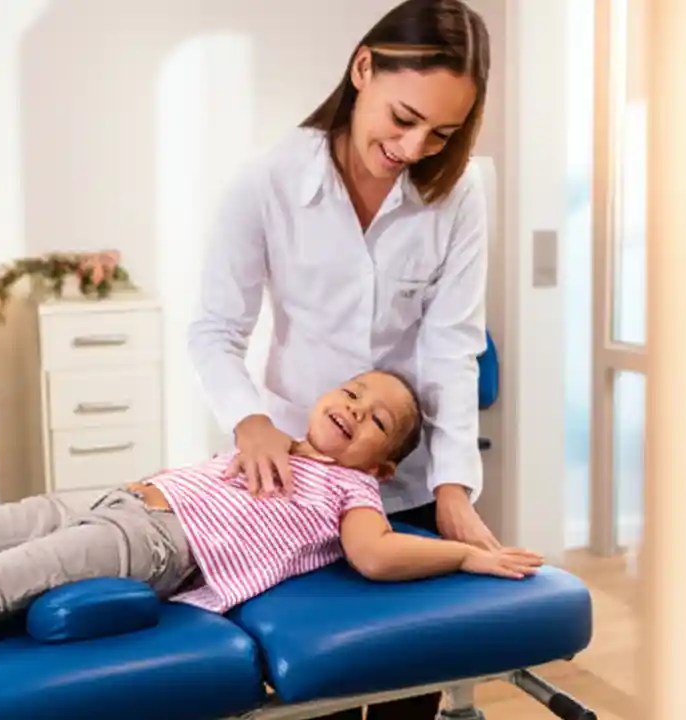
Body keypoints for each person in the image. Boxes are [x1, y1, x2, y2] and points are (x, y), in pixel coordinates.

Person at [0, 370, 543, 664]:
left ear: (381, 465)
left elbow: (375, 556)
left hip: (158, 543)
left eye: (376, 419)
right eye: (352, 392)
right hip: (118, 498)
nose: (353, 409)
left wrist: (464, 554)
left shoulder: (354, 492)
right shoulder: (276, 437)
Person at [188, 1, 494, 717]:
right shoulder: (266, 182)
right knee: (312, 690)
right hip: (295, 477)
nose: (416, 147)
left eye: (442, 132)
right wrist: (250, 423)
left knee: (406, 694)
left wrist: (453, 486)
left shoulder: (458, 194)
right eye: (403, 117)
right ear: (364, 68)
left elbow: (452, 347)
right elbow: (213, 330)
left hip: (408, 480)